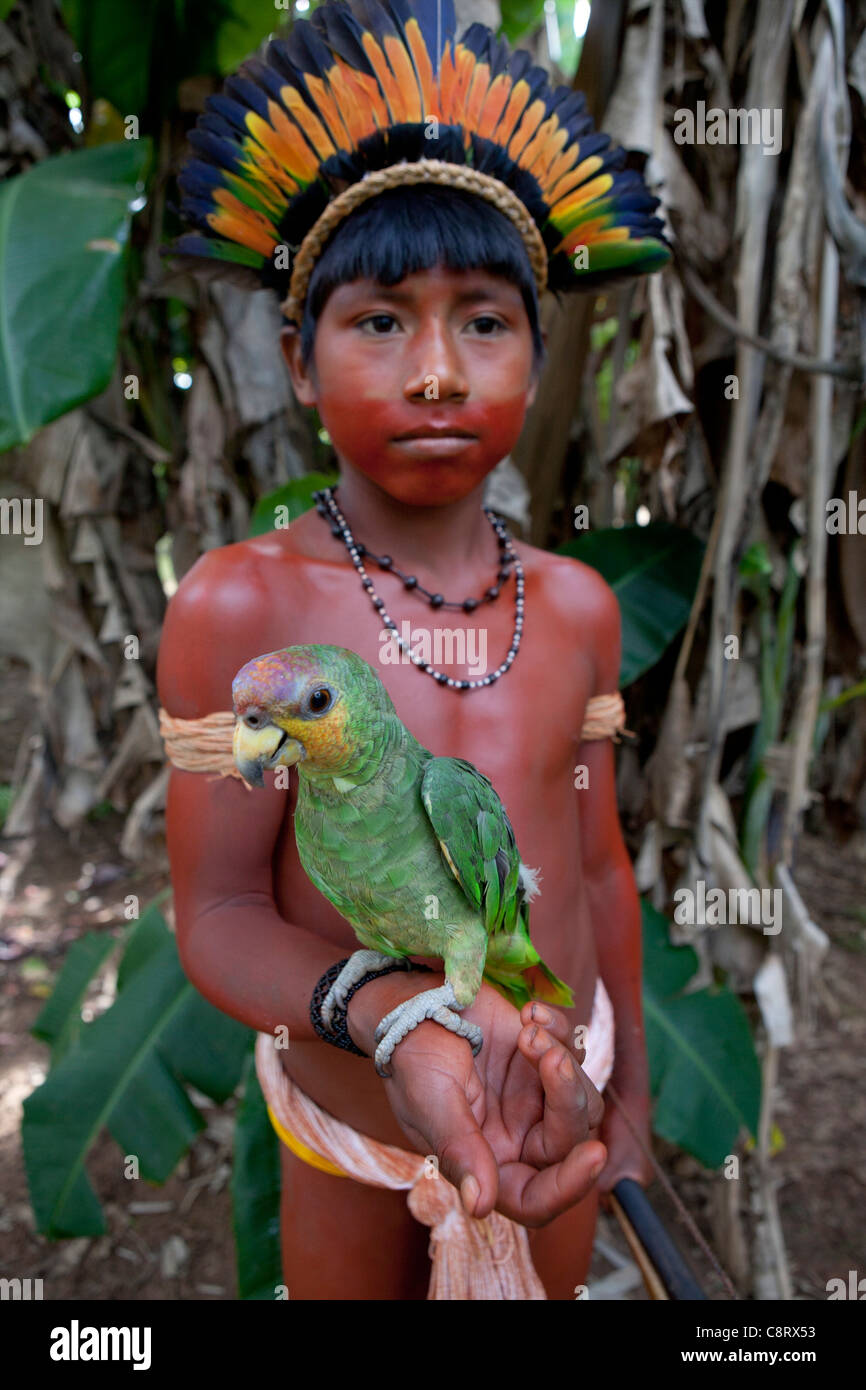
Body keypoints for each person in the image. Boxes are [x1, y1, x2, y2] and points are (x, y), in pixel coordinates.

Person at [157, 0, 668, 1300]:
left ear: (539, 361)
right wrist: (390, 1019)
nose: (435, 370)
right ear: (298, 359)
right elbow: (218, 910)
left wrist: (627, 1106)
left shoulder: (575, 609)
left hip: (549, 1098)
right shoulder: (235, 610)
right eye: (379, 321)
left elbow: (598, 873)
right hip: (341, 1119)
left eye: (484, 322)